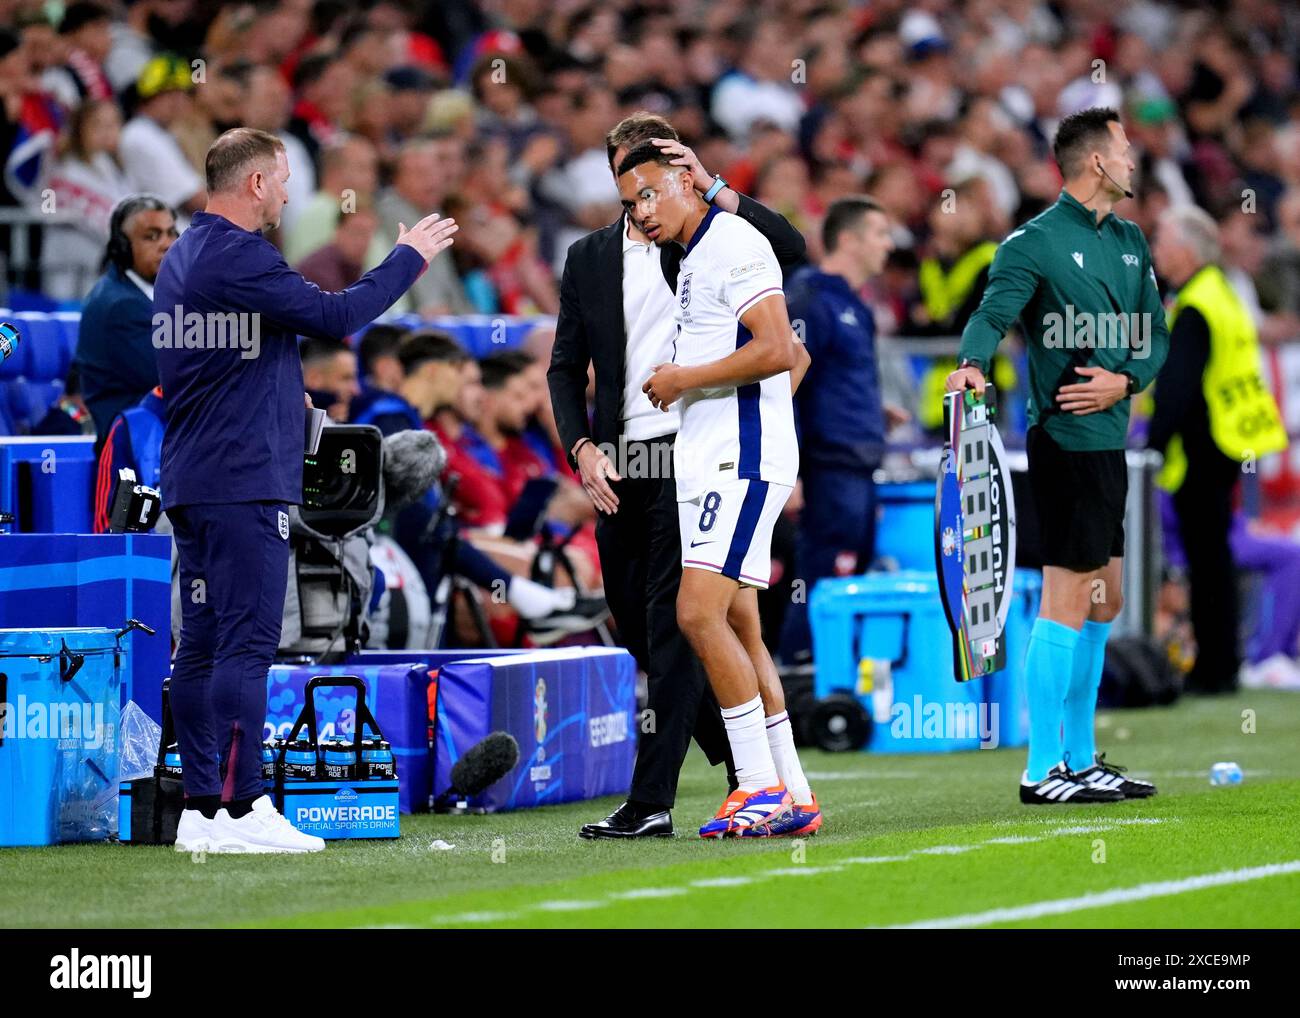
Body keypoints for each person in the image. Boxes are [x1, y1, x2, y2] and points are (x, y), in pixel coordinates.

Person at [156, 126, 458, 855]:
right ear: (256, 182)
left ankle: (201, 810)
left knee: (198, 646)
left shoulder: (183, 255)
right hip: (241, 481)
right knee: (248, 642)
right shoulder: (238, 254)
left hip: (195, 478)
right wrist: (408, 257)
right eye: (284, 179)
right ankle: (243, 807)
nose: (289, 193)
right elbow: (336, 316)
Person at [548, 113, 807, 840]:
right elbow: (565, 368)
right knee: (640, 626)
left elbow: (789, 248)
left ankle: (654, 800)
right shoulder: (591, 257)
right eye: (625, 178)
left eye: (651, 175)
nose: (640, 201)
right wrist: (581, 447)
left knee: (680, 624)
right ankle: (750, 771)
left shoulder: (705, 237)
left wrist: (713, 185)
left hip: (691, 452)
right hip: (623, 456)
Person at [947, 107, 1168, 804]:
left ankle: (1079, 756)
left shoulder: (1132, 241)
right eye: (1125, 150)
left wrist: (1124, 380)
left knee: (1106, 602)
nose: (1134, 161)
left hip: (1112, 443)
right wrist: (972, 364)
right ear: (1096, 163)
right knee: (1069, 595)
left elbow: (1155, 337)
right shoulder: (1032, 244)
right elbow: (990, 314)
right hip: (1064, 441)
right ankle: (1041, 769)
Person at [616, 142, 819, 839]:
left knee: (696, 614)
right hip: (717, 457)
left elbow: (779, 350)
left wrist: (686, 383)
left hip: (736, 460)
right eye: (628, 203)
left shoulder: (733, 240)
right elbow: (791, 359)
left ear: (685, 180)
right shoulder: (695, 256)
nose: (640, 212)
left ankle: (758, 788)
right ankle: (790, 787)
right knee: (736, 624)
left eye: (649, 193)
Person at [1148, 205, 1288, 694]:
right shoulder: (1218, 292)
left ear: (1186, 249)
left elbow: (1177, 387)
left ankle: (1213, 669)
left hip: (1204, 447)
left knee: (1207, 559)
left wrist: (1153, 445)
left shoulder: (1195, 305)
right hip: (1228, 442)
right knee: (1215, 556)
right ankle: (1221, 663)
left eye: (1162, 240)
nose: (1156, 249)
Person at [777, 197, 894, 666]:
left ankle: (834, 679)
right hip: (827, 468)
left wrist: (873, 413)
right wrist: (793, 471)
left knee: (850, 576)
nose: (888, 245)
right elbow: (786, 385)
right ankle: (798, 672)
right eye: (880, 234)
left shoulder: (856, 307)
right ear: (848, 240)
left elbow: (830, 383)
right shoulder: (809, 298)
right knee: (822, 577)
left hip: (859, 466)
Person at [74, 193, 176, 444]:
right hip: (130, 448)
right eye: (152, 236)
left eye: (171, 233)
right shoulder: (121, 306)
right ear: (122, 247)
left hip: (154, 435)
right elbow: (173, 379)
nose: (166, 244)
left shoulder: (144, 293)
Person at [118, 54, 205, 225]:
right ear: (150, 96)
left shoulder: (161, 133)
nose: (179, 101)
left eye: (182, 93)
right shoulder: (140, 134)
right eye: (170, 93)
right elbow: (198, 201)